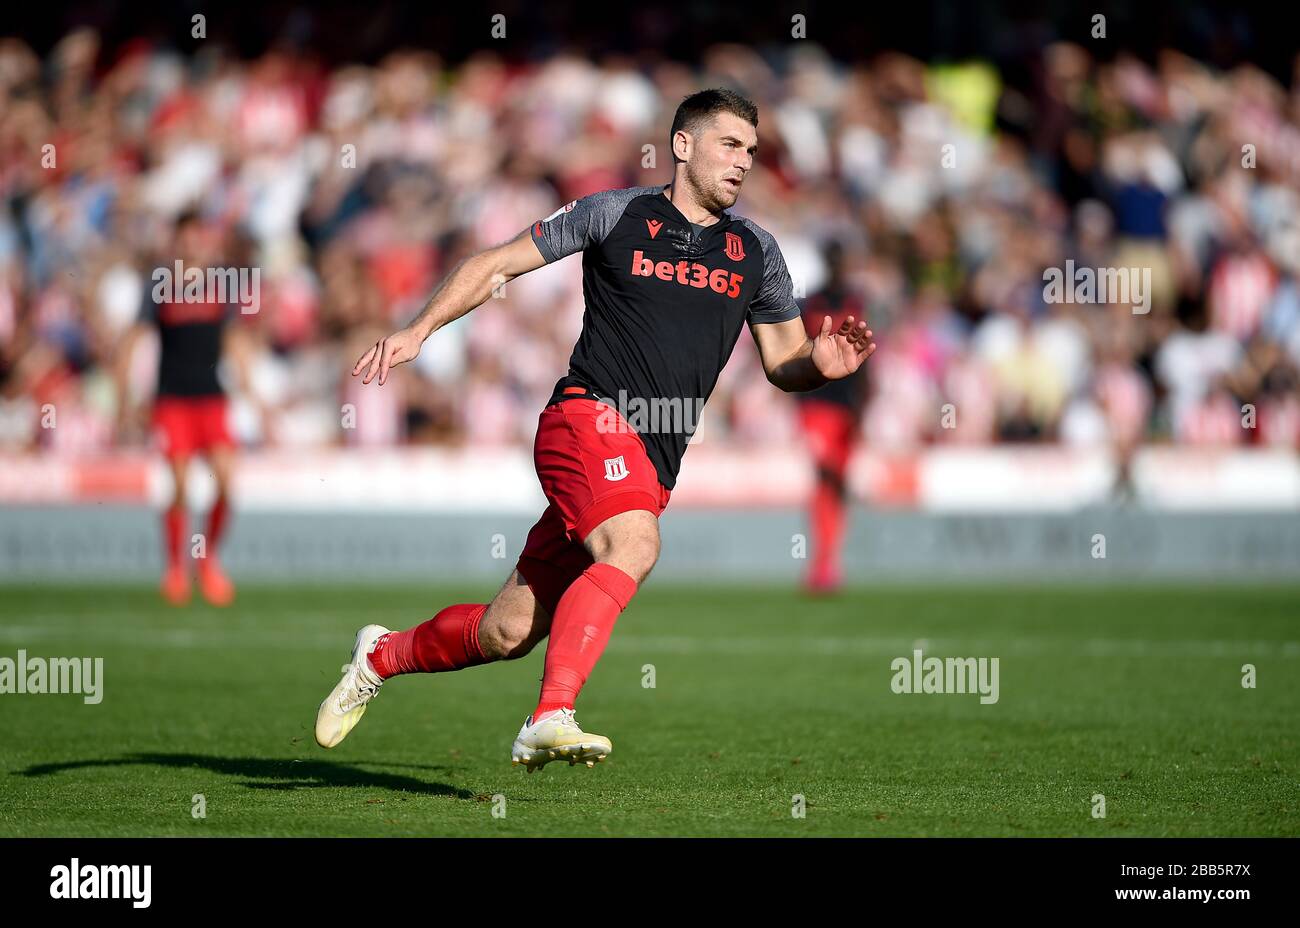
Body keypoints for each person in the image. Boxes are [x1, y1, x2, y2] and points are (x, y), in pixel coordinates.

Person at [315, 89, 876, 771]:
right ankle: (550, 716)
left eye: (752, 152)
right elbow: (494, 263)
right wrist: (418, 330)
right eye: (730, 145)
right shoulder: (615, 214)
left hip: (650, 461)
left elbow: (785, 363)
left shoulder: (755, 250)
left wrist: (818, 364)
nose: (743, 162)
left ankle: (380, 654)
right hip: (585, 419)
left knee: (506, 631)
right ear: (682, 145)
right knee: (635, 543)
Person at [115, 212, 262, 606]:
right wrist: (124, 400)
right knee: (179, 486)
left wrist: (254, 396)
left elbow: (233, 340)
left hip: (212, 397)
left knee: (227, 484)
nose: (193, 245)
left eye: (199, 237)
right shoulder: (159, 285)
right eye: (186, 238)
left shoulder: (222, 284)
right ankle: (176, 567)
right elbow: (134, 339)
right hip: (172, 399)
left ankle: (208, 559)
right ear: (176, 242)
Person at [795, 241, 868, 593]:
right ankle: (821, 564)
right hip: (816, 404)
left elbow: (870, 353)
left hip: (846, 407)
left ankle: (828, 562)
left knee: (837, 483)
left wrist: (863, 406)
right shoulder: (813, 303)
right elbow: (799, 351)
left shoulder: (856, 302)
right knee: (823, 477)